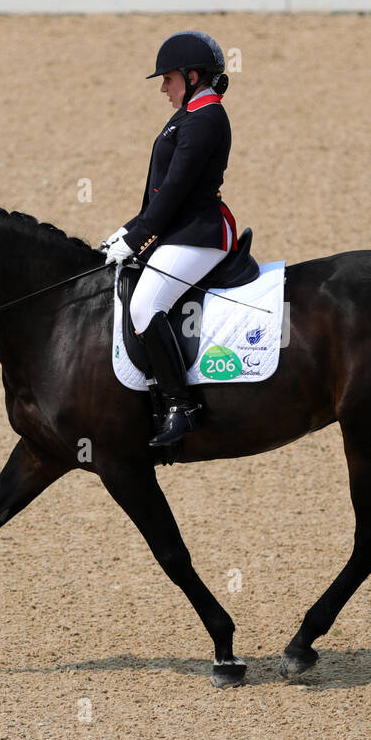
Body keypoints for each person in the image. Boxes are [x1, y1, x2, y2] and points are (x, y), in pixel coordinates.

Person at [102, 30, 237, 447]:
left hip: (197, 233)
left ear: (192, 77)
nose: (163, 88)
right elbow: (160, 194)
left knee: (146, 305)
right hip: (177, 230)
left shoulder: (206, 118)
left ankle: (182, 406)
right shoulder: (189, 114)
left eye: (168, 79)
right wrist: (128, 230)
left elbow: (176, 191)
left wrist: (137, 238)